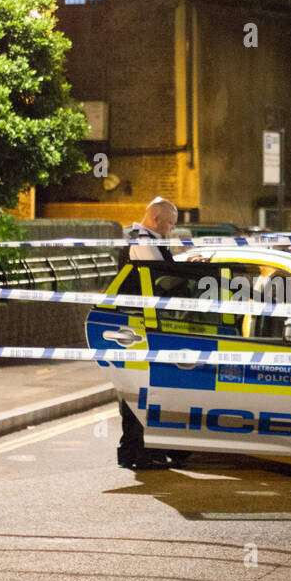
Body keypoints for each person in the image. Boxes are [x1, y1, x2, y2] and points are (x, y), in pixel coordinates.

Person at [117, 197, 180, 469]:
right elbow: (163, 278)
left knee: (136, 389)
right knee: (142, 390)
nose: (172, 230)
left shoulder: (147, 239)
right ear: (156, 220)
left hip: (139, 327)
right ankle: (142, 452)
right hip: (138, 328)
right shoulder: (143, 242)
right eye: (170, 224)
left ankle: (132, 450)